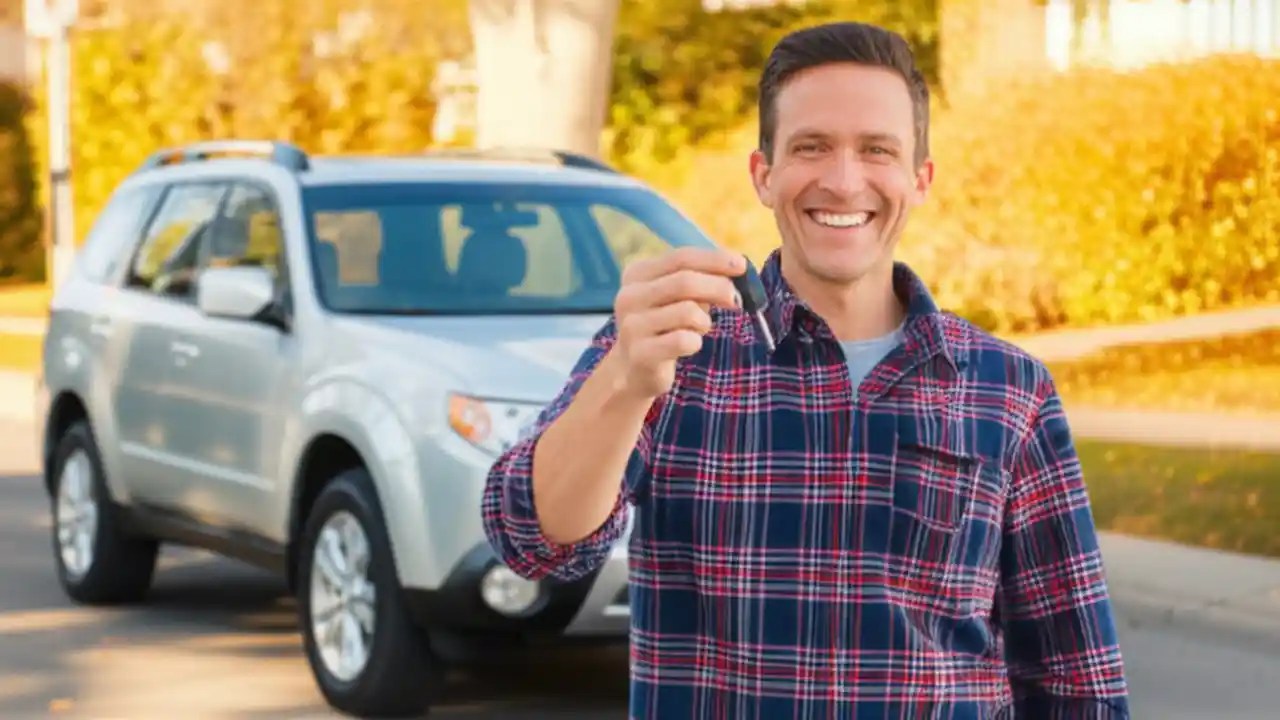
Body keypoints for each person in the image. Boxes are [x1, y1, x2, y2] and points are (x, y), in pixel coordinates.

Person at [481, 20, 1130, 719]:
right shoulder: (672, 349)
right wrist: (624, 382)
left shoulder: (1008, 390)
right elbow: (533, 542)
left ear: (920, 180)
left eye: (877, 150)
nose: (844, 181)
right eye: (811, 147)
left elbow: (1075, 680)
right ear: (765, 174)